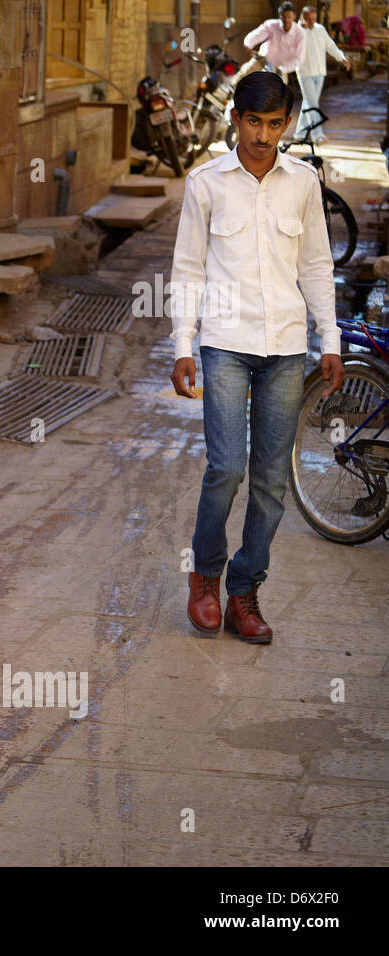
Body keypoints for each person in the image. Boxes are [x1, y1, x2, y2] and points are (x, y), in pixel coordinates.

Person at [168, 71, 344, 644]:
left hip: (288, 349)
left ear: (287, 122)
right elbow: (188, 268)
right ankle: (205, 580)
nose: (263, 135)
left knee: (271, 481)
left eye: (274, 124)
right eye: (253, 122)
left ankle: (245, 590)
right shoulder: (206, 184)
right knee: (226, 468)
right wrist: (181, 344)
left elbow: (317, 265)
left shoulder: (302, 184)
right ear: (236, 119)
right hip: (224, 344)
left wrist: (331, 339)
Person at [296, 6, 351, 143]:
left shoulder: (320, 29)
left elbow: (330, 45)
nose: (310, 22)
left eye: (313, 19)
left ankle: (300, 133)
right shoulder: (297, 31)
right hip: (305, 72)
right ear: (303, 17)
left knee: (309, 102)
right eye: (308, 19)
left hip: (320, 72)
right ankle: (317, 135)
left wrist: (342, 58)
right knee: (312, 103)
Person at [245, 2, 307, 90]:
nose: (286, 20)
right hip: (263, 60)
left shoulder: (300, 33)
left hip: (281, 69)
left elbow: (299, 58)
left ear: (294, 16)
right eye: (283, 17)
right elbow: (257, 34)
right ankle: (226, 95)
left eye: (289, 17)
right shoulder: (272, 25)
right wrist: (248, 44)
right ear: (280, 16)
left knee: (278, 92)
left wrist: (283, 69)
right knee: (244, 74)